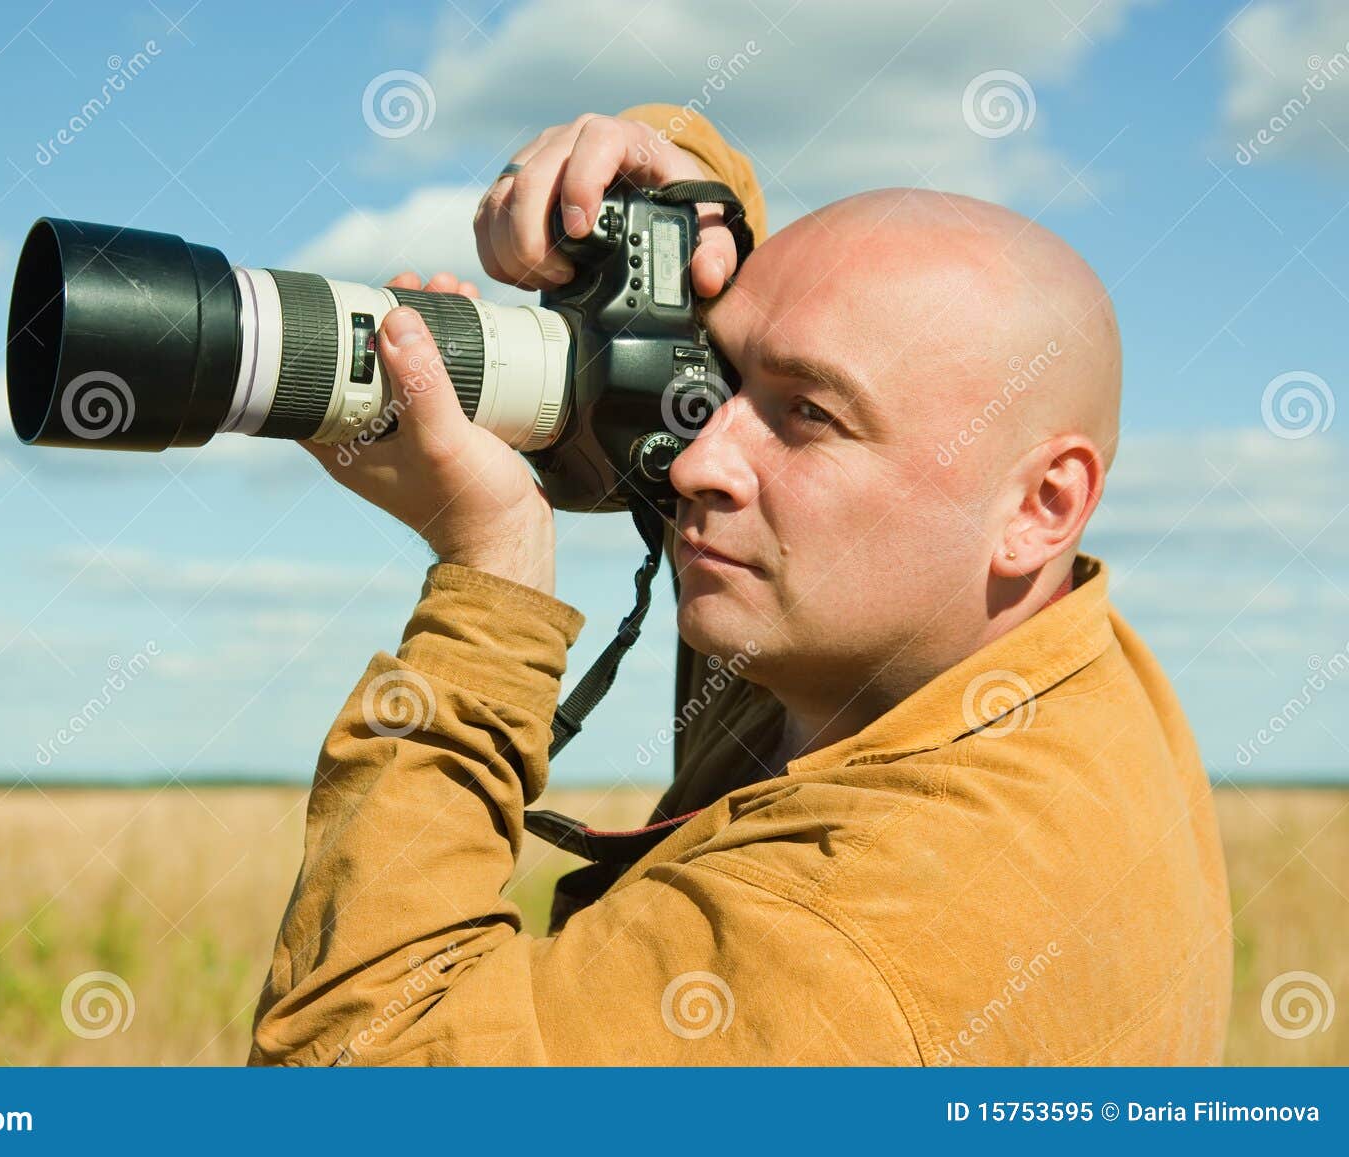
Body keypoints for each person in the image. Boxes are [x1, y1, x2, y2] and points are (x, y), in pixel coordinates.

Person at [247, 104, 1232, 1065]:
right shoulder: (964, 648)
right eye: (721, 381)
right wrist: (664, 177)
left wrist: (487, 576)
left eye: (806, 413)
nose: (695, 463)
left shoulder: (871, 930)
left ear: (1041, 505)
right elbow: (805, 303)